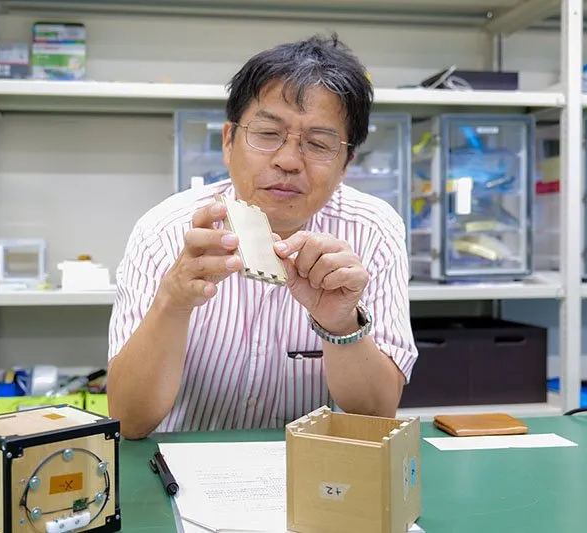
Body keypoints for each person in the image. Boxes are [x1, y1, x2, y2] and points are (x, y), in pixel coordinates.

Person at [106, 33, 418, 440]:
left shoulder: (373, 231)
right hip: (176, 465)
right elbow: (129, 421)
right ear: (228, 141)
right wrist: (174, 300)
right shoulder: (164, 231)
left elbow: (377, 414)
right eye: (268, 134)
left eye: (318, 144)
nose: (288, 161)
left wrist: (341, 324)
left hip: (313, 465)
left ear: (345, 165)